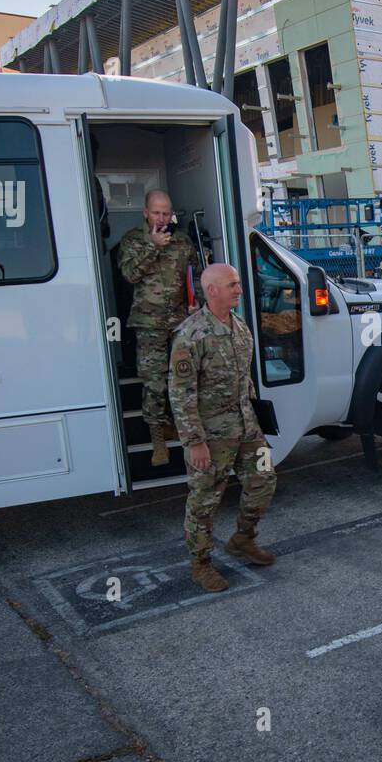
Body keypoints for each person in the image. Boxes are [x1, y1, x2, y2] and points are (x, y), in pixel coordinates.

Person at [168, 263, 277, 592]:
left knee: (264, 480)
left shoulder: (239, 326)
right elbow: (181, 394)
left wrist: (257, 418)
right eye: (232, 285)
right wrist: (194, 441)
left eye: (238, 284)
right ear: (212, 290)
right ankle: (200, 564)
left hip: (246, 428)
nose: (239, 289)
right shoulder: (190, 335)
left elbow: (245, 380)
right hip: (211, 435)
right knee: (204, 500)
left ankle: (243, 538)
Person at [118, 190, 198, 466]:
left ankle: (180, 428)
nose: (162, 218)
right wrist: (152, 245)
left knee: (183, 377)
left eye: (166, 213)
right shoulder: (132, 241)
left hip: (179, 323)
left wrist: (196, 302)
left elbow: (195, 275)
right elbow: (129, 275)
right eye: (156, 212)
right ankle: (158, 439)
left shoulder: (182, 241)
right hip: (148, 323)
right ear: (145, 212)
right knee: (153, 381)